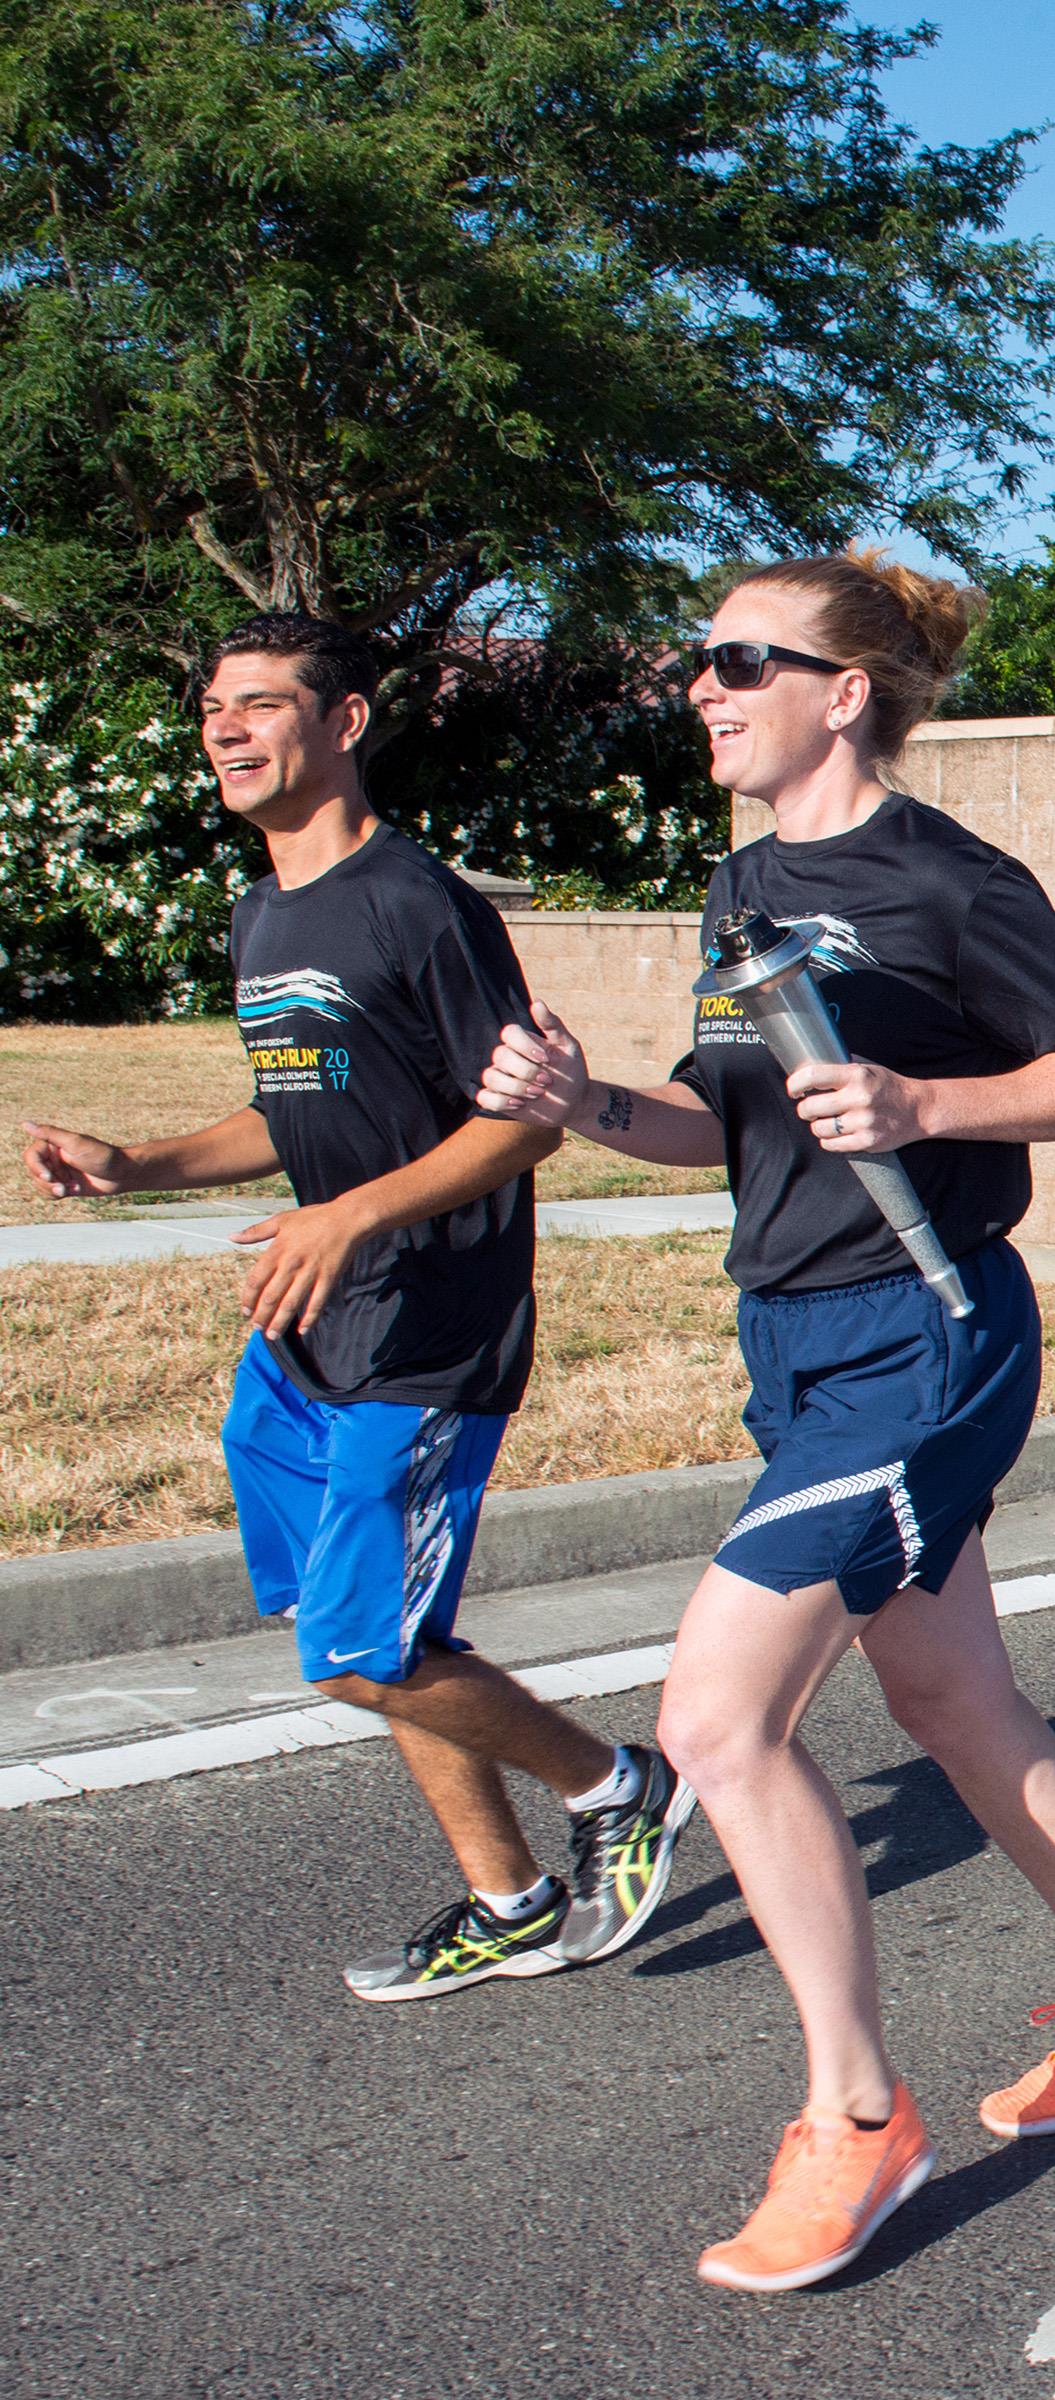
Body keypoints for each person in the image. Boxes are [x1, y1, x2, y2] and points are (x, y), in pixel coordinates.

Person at [476, 550, 1055, 2293]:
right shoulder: (742, 883)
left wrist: (926, 1093)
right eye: (700, 661)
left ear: (844, 691)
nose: (701, 688)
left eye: (739, 661)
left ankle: (859, 2119)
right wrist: (583, 1106)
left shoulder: (953, 881)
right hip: (792, 1341)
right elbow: (728, 1129)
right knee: (949, 1694)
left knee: (716, 1724)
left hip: (924, 1340)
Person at [21, 615, 691, 2000]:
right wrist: (136, 1166)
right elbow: (295, 1106)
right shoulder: (264, 911)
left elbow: (524, 1130)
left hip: (425, 1329)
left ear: (345, 724)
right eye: (214, 704)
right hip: (306, 1327)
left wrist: (354, 1215)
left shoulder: (417, 903)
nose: (225, 727)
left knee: (356, 1647)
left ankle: (618, 1783)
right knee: (369, 1637)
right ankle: (506, 1899)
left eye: (261, 703)